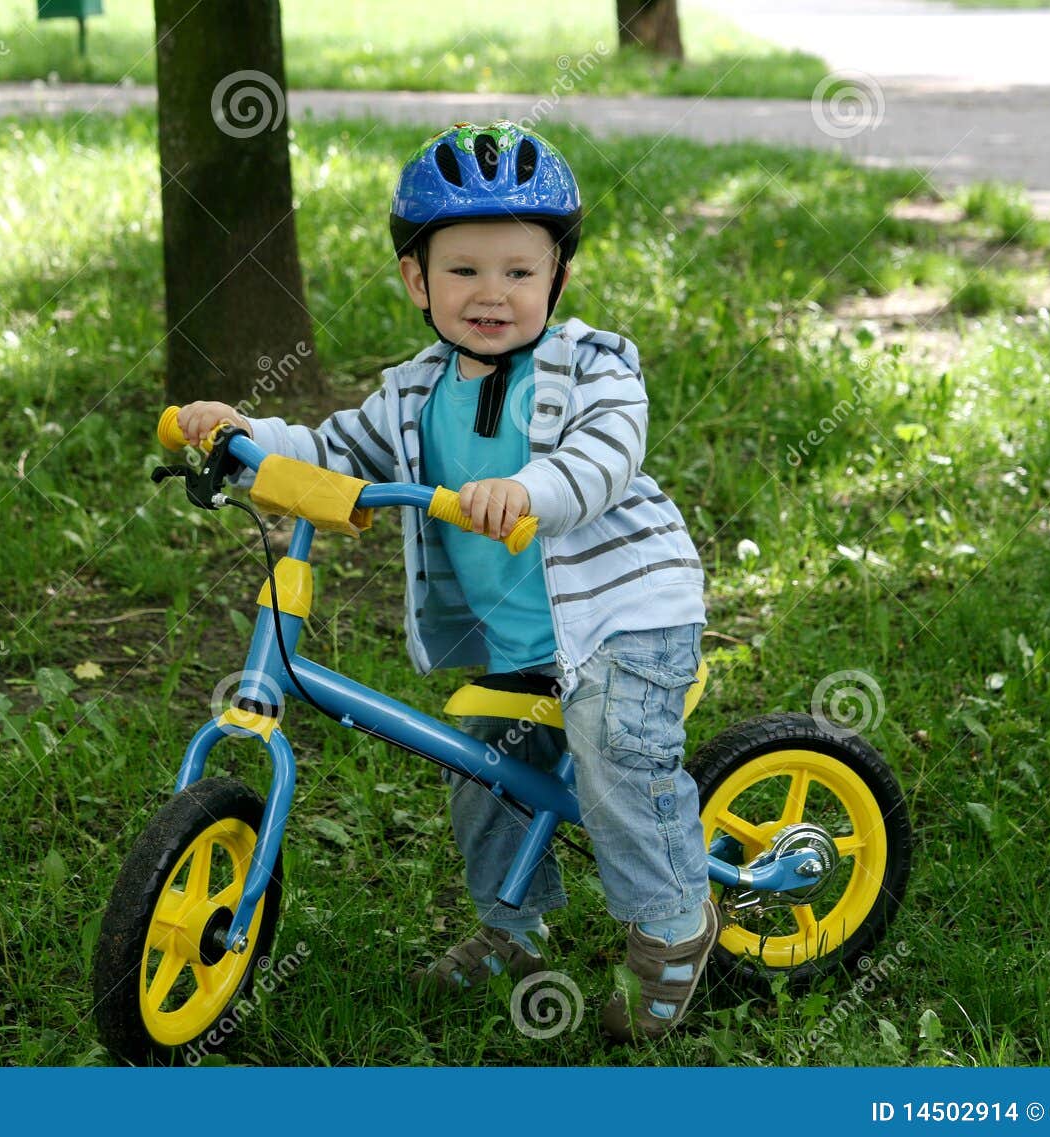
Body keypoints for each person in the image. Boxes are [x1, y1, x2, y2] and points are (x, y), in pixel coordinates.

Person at [173, 121, 716, 1042]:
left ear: (559, 279)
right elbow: (334, 448)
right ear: (417, 281)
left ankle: (673, 922)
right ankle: (512, 927)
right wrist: (243, 437)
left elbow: (606, 457)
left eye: (517, 270)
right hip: (523, 640)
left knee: (616, 755)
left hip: (625, 614)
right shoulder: (414, 390)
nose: (492, 294)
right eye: (463, 271)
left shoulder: (595, 366)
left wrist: (529, 487)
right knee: (488, 774)